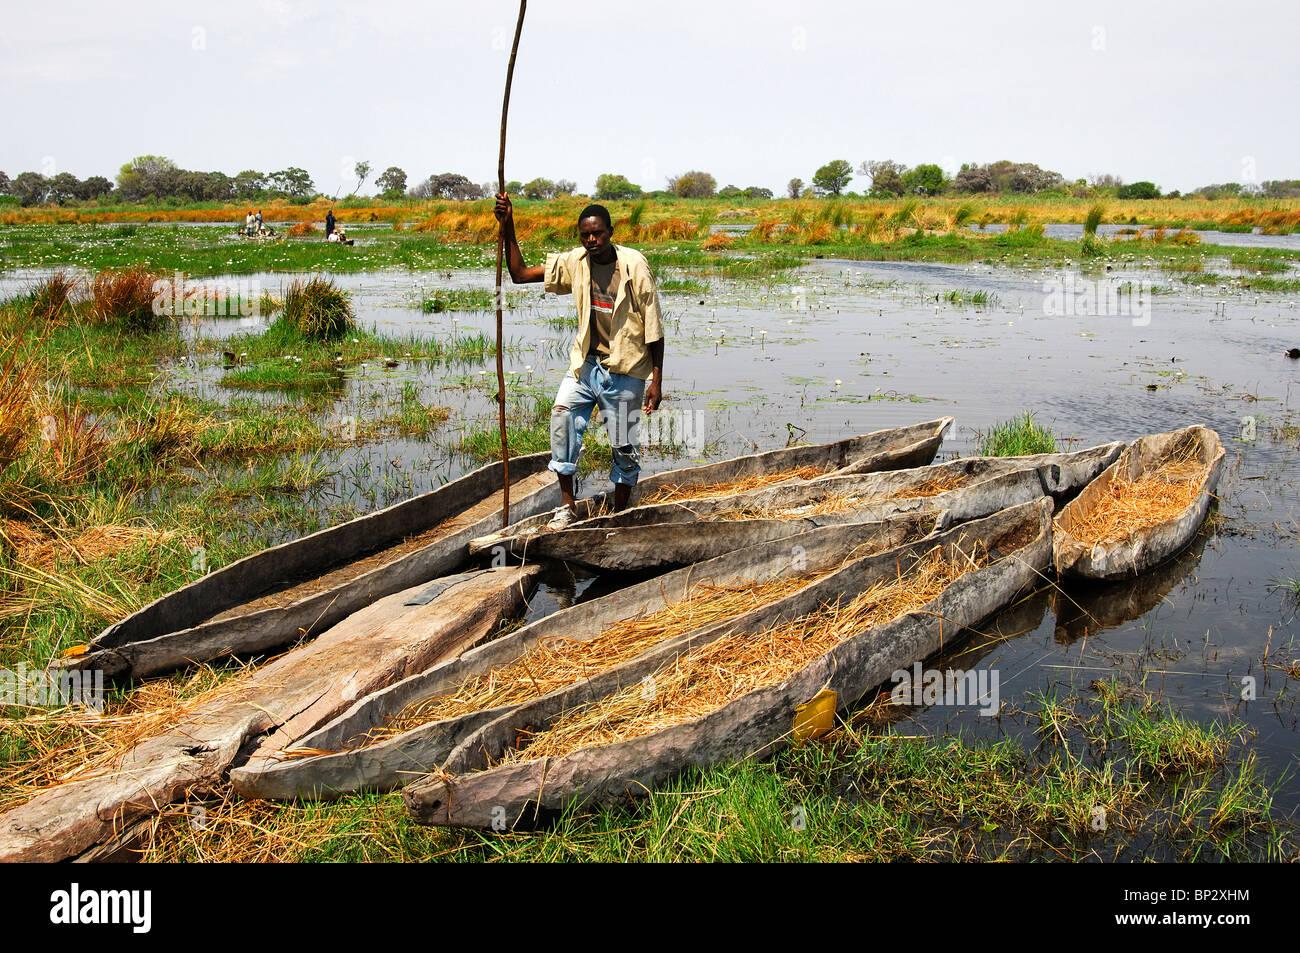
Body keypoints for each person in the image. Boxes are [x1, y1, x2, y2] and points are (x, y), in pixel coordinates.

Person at [494, 193, 664, 528]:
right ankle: (567, 508)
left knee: (624, 445)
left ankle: (619, 514)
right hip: (585, 366)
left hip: (626, 368)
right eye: (585, 234)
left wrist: (656, 380)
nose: (592, 240)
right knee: (562, 420)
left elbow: (655, 327)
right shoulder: (577, 262)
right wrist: (508, 224)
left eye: (598, 233)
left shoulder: (634, 265)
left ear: (610, 232)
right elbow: (519, 273)